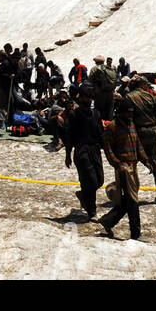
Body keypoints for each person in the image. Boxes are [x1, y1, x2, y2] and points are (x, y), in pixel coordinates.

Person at [100, 98, 149, 240]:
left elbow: (138, 144)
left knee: (128, 200)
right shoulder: (112, 127)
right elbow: (108, 149)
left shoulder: (131, 125)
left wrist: (146, 160)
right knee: (133, 201)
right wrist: (117, 164)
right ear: (120, 113)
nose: (130, 116)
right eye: (127, 113)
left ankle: (108, 220)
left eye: (131, 113)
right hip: (123, 168)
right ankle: (136, 234)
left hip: (133, 166)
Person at [64, 85, 105, 219]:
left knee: (99, 180)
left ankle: (83, 195)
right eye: (86, 97)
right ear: (80, 98)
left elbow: (100, 134)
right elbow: (69, 136)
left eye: (90, 97)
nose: (89, 100)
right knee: (91, 181)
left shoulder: (96, 114)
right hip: (81, 151)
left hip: (95, 150)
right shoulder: (74, 114)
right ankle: (91, 211)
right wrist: (68, 155)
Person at [127, 76, 156, 205]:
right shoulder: (151, 97)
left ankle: (131, 193)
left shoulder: (129, 97)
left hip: (137, 134)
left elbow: (127, 118)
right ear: (144, 85)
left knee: (131, 163)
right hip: (152, 132)